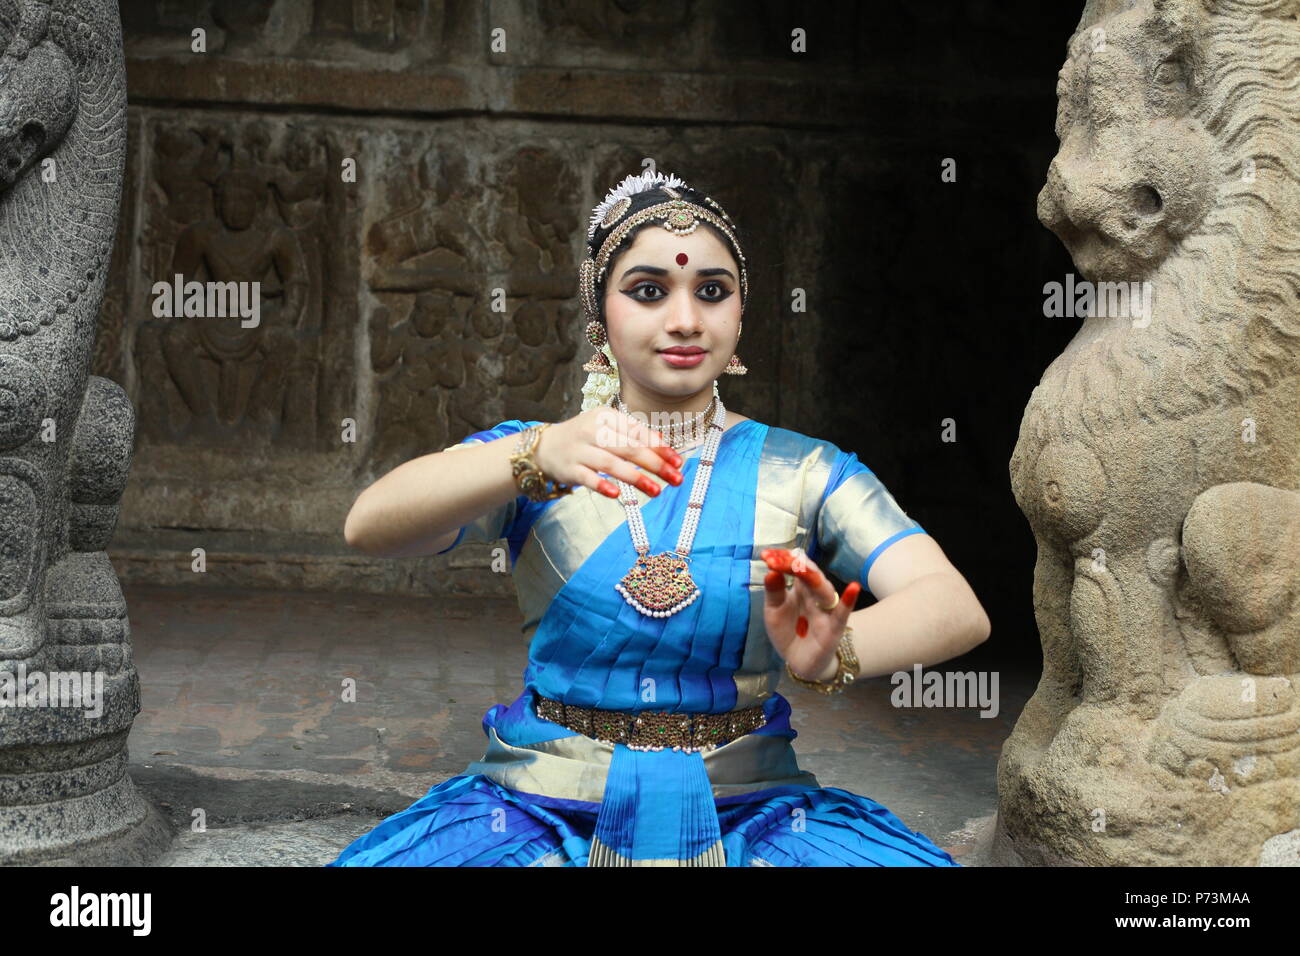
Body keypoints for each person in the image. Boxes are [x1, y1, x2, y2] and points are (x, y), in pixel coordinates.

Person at [330, 170, 991, 866]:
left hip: (749, 807)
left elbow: (954, 606)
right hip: (541, 802)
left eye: (712, 291)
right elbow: (369, 526)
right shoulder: (546, 454)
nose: (684, 320)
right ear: (601, 315)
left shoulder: (801, 470)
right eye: (649, 291)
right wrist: (530, 454)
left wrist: (837, 651)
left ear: (740, 317)